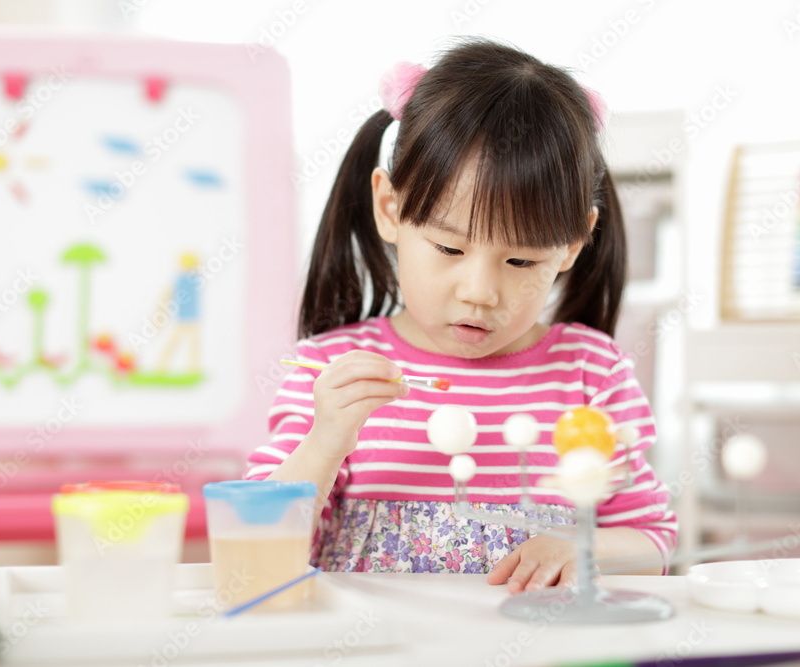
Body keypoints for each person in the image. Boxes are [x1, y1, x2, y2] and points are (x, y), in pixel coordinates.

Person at [245, 39, 677, 592]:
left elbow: (652, 540)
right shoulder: (334, 371)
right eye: (450, 248)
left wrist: (585, 549)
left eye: (521, 260)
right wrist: (325, 441)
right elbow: (258, 546)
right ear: (390, 209)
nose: (480, 293)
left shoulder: (591, 375)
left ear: (572, 245)